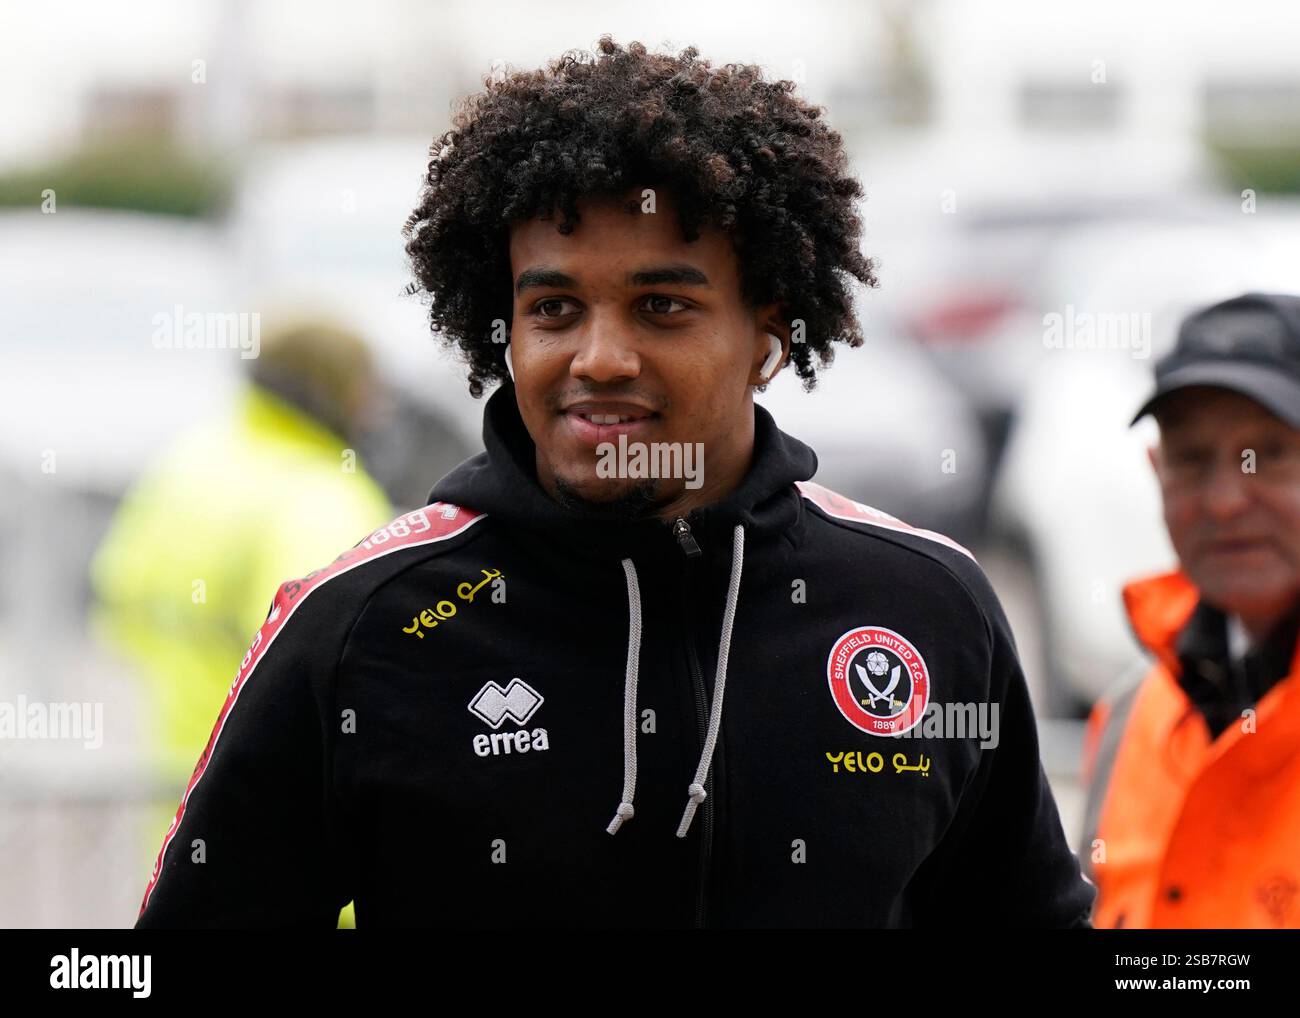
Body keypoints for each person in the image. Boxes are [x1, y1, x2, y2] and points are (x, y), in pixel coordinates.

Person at [134, 36, 1093, 928]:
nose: (599, 357)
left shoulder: (926, 606)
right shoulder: (365, 624)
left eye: (662, 305)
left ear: (769, 332)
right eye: (554, 308)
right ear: (502, 329)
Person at [90, 318, 391, 926]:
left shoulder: (192, 460)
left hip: (182, 800)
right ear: (330, 387)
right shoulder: (323, 494)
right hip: (296, 826)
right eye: (366, 385)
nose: (378, 407)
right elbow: (345, 665)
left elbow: (116, 595)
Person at [1080, 292, 1300, 928]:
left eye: (1270, 453)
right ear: (1156, 472)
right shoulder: (1128, 719)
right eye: (1193, 459)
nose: (1225, 500)